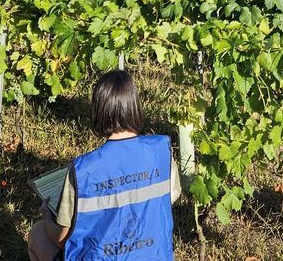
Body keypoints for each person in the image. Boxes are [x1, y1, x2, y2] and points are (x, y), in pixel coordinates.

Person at [28, 70, 180, 261]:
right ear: (134, 107)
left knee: (39, 233)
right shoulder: (162, 152)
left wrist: (47, 218)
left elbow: (63, 238)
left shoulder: (83, 170)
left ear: (98, 111)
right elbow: (170, 198)